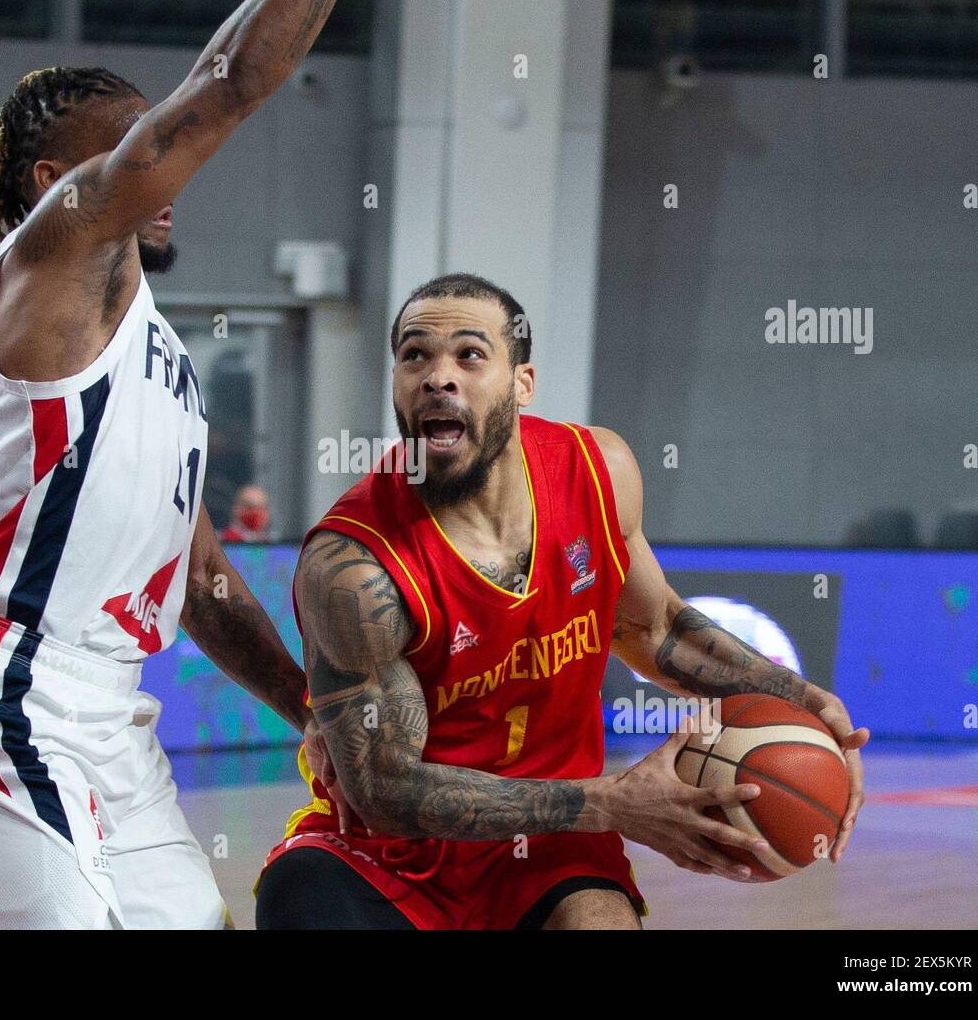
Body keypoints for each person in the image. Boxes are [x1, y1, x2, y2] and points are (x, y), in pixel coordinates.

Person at [0, 0, 343, 929]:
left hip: (108, 713)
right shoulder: (42, 266)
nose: (167, 164)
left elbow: (202, 575)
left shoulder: (159, 356)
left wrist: (313, 713)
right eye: (140, 144)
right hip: (7, 686)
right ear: (57, 178)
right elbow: (230, 83)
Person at [255, 274, 869, 930]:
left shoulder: (598, 470)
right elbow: (386, 789)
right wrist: (612, 802)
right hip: (393, 852)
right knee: (299, 897)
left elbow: (655, 628)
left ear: (522, 384)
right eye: (414, 355)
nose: (438, 376)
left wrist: (799, 696)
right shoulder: (355, 565)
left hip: (553, 847)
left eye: (468, 353)